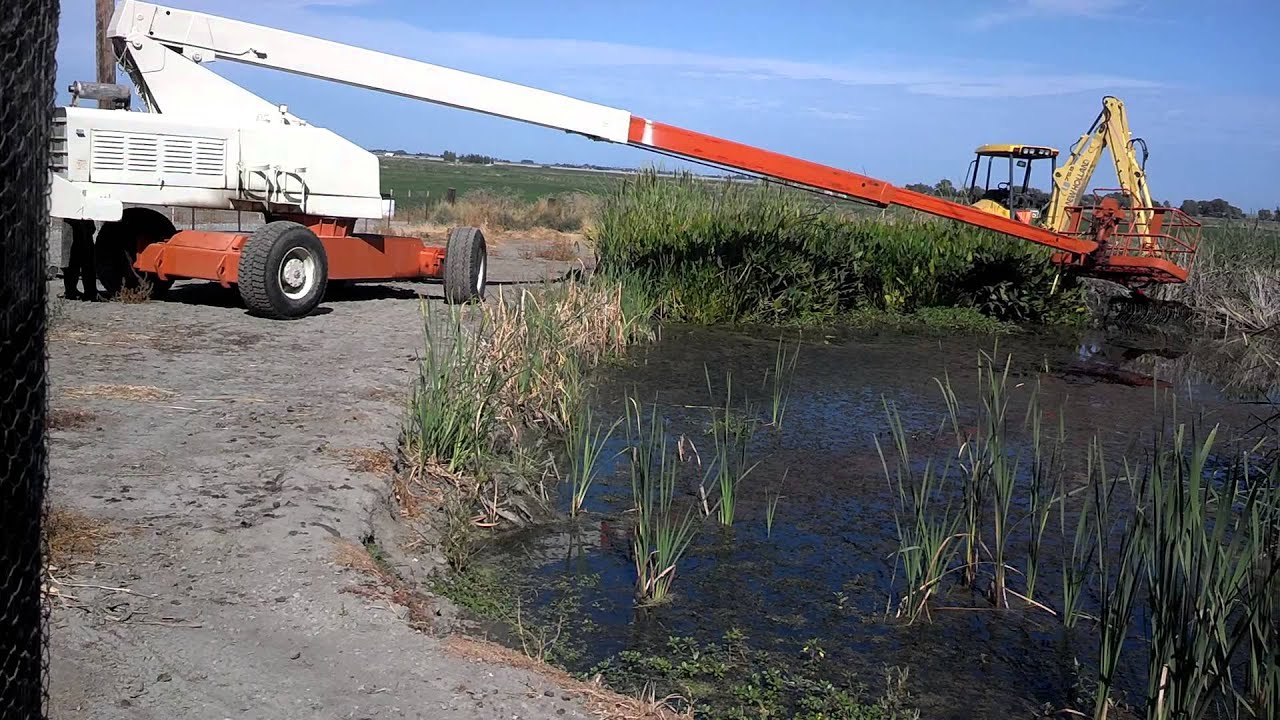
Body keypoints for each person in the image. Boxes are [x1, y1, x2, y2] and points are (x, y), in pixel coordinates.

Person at [61, 218, 98, 300]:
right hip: (78, 232)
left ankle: (73, 291)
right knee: (84, 263)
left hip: (76, 229)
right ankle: (87, 292)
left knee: (75, 263)